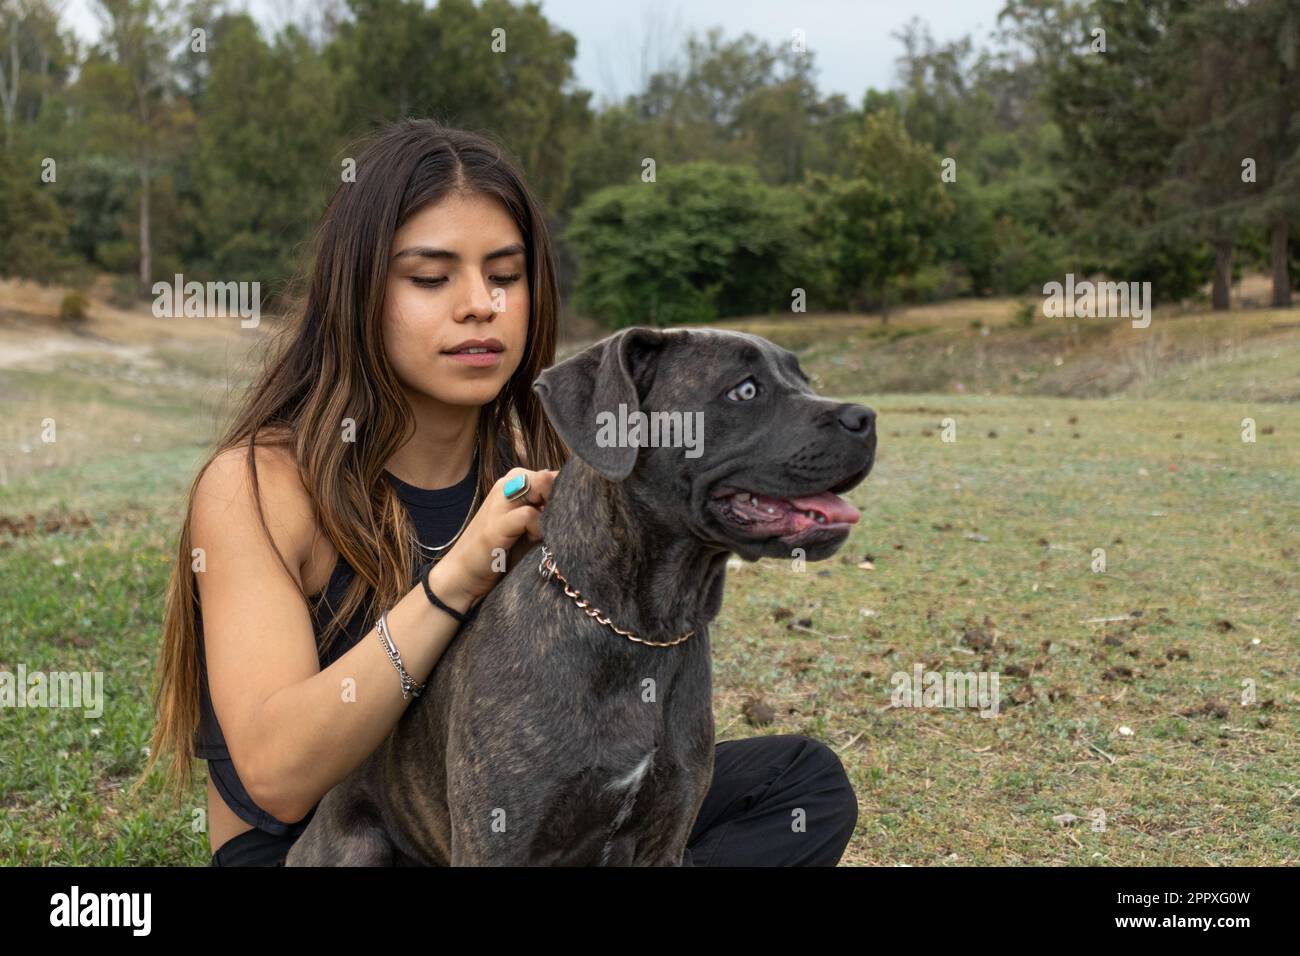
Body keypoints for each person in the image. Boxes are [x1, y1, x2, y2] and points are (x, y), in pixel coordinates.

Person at [140, 119, 858, 867]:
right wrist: (456, 578)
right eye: (430, 277)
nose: (479, 304)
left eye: (505, 276)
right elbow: (277, 779)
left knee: (800, 785)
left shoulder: (542, 467)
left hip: (492, 817)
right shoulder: (258, 484)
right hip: (330, 844)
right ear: (356, 292)